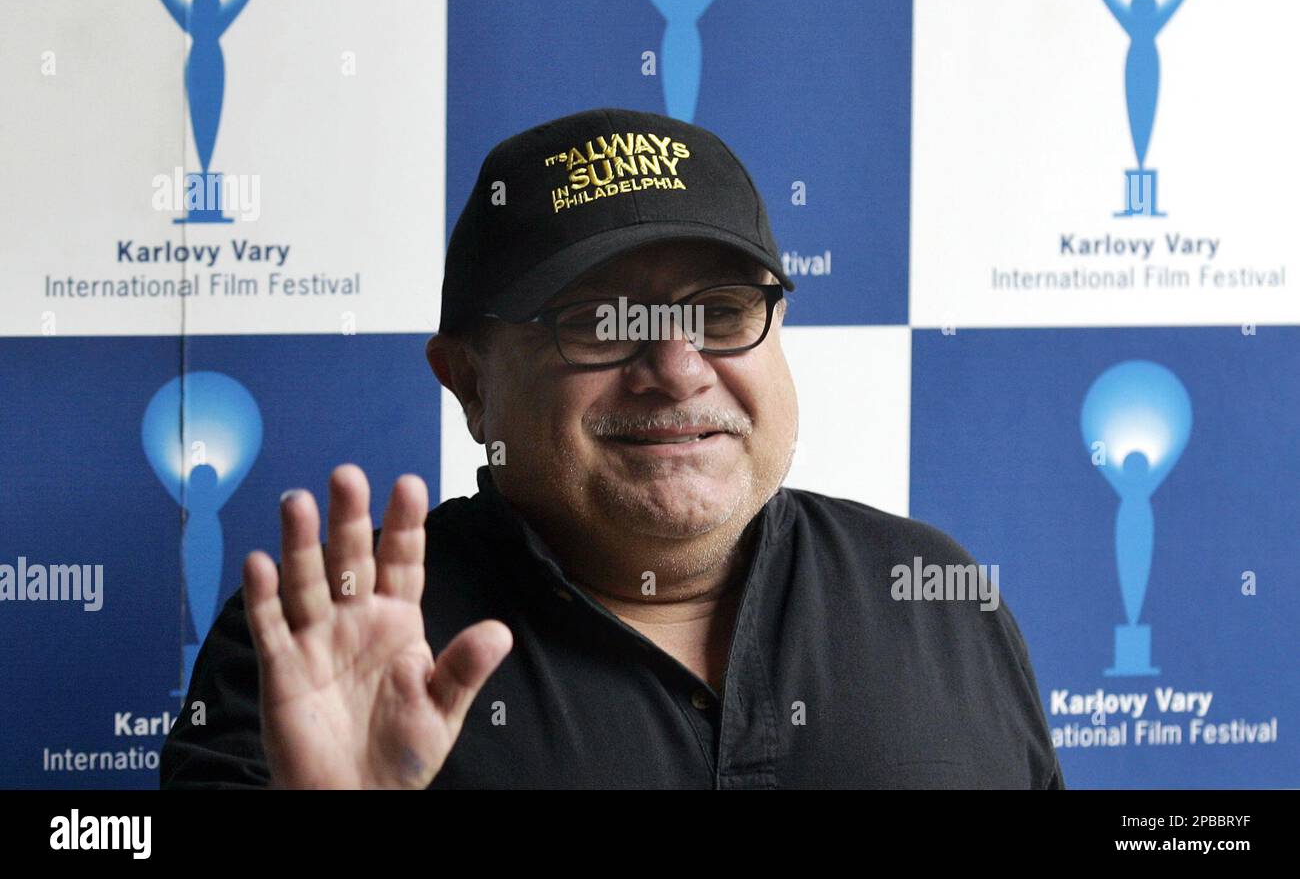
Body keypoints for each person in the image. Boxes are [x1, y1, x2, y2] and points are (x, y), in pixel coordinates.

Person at [159, 107, 1065, 789]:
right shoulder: (330, 636)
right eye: (600, 322)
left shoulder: (938, 597)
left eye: (718, 314)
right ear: (470, 381)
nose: (676, 369)